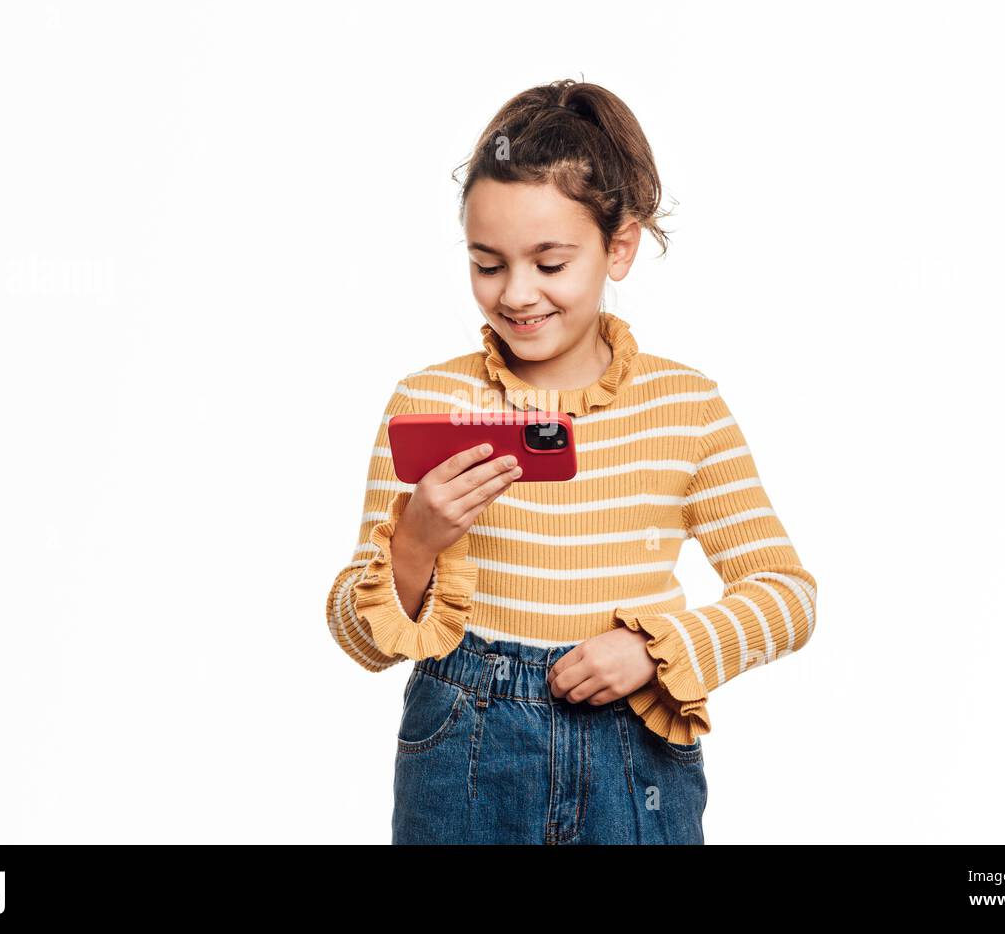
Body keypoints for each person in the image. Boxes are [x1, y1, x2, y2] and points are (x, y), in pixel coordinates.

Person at [324, 78, 818, 844]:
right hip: (464, 749)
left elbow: (788, 595)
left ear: (620, 247)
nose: (517, 293)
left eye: (550, 263)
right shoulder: (428, 401)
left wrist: (657, 651)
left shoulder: (686, 406)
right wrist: (416, 540)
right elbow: (358, 640)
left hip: (631, 758)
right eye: (487, 263)